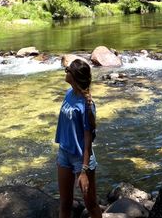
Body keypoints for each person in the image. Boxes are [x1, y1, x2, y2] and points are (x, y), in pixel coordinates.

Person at [55, 58, 102, 218]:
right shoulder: (69, 93)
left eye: (67, 69)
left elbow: (88, 142)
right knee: (65, 204)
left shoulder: (87, 105)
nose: (65, 71)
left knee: (91, 204)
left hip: (81, 159)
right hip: (64, 154)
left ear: (74, 76)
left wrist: (83, 170)